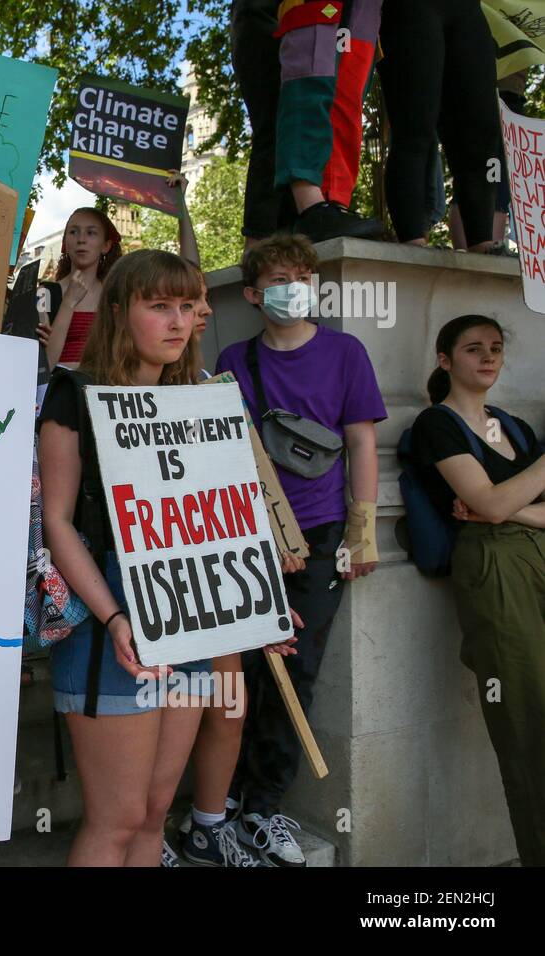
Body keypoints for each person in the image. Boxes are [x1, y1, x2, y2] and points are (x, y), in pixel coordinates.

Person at [213, 233, 385, 865]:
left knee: (298, 670)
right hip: (246, 537)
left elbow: (362, 441)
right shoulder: (233, 358)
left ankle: (265, 804)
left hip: (317, 537)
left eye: (304, 276)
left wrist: (361, 530)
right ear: (254, 295)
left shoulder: (345, 352)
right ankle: (223, 799)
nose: (296, 288)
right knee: (243, 670)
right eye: (281, 280)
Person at [40, 249, 212, 867]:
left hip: (191, 614)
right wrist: (113, 618)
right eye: (159, 305)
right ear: (118, 311)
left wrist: (258, 612)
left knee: (153, 814)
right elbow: (56, 521)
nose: (177, 320)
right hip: (106, 614)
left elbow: (219, 525)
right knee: (116, 818)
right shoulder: (74, 394)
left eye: (188, 306)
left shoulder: (201, 401)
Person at [408, 314, 545, 865]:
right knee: (528, 721)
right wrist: (498, 506)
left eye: (495, 348)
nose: (488, 358)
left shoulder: (511, 425)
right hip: (493, 565)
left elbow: (495, 504)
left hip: (528, 548)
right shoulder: (435, 425)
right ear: (445, 360)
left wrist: (504, 506)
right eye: (472, 349)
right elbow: (485, 507)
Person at [230, 0, 384, 245]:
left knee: (325, 110)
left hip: (335, 14)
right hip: (266, 12)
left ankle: (314, 220)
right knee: (276, 123)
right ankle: (258, 248)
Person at [379, 1, 501, 252]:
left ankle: (482, 241)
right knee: (415, 126)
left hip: (467, 10)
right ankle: (413, 239)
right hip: (412, 9)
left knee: (482, 133)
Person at [34, 207, 121, 369]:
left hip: (100, 390)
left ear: (106, 245)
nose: (81, 239)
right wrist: (68, 303)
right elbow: (45, 366)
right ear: (65, 243)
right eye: (73, 232)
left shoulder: (115, 296)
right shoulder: (43, 294)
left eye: (91, 233)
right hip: (58, 391)